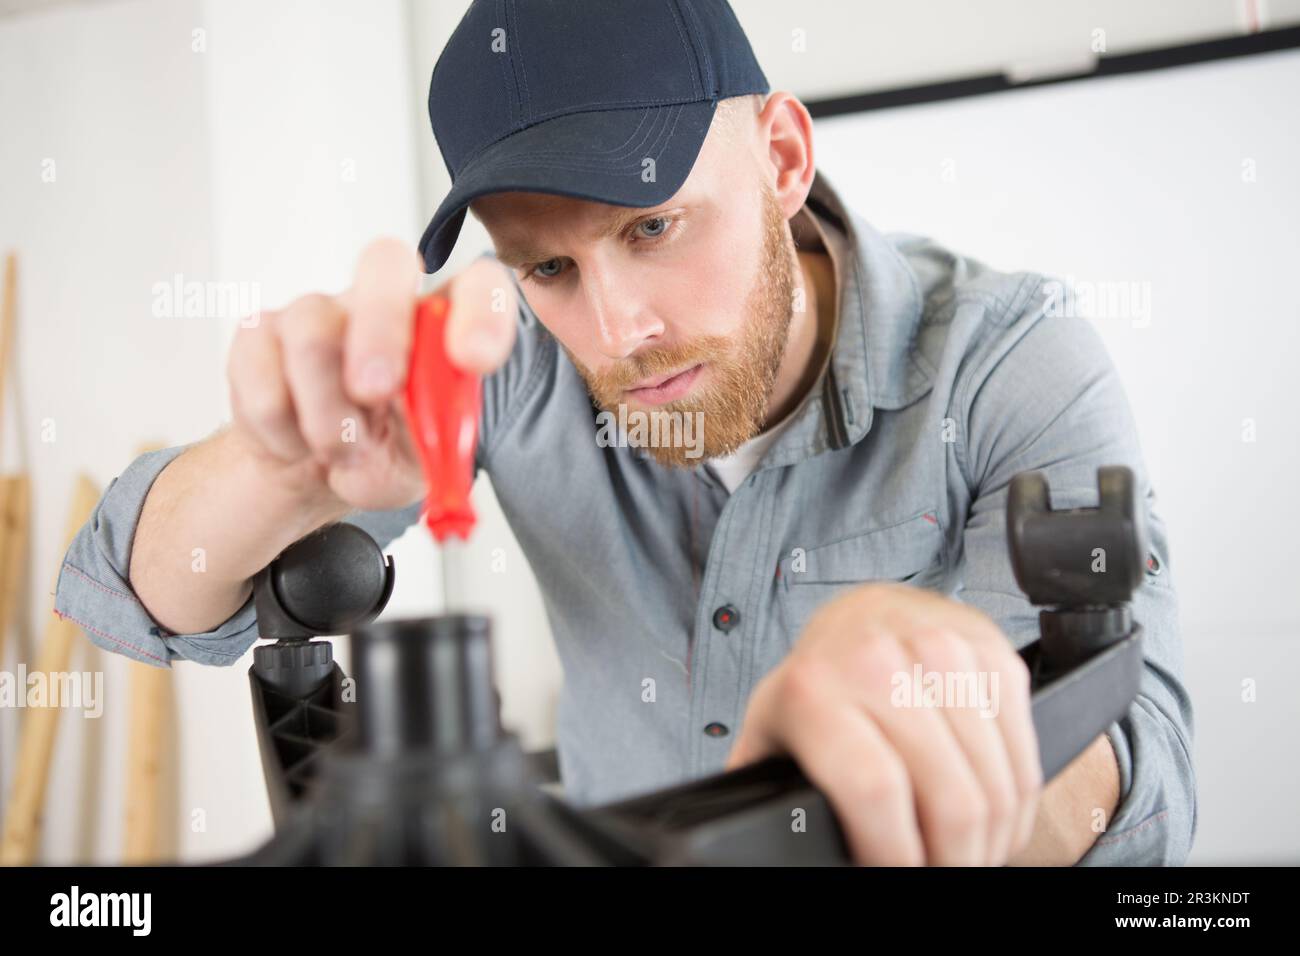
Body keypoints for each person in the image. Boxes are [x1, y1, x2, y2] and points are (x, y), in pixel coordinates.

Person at [55, 0, 1194, 865]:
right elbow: (140, 590)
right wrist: (281, 468)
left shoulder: (1007, 359)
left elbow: (1138, 780)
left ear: (783, 158)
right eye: (548, 264)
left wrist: (943, 740)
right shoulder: (502, 359)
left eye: (654, 225)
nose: (617, 331)